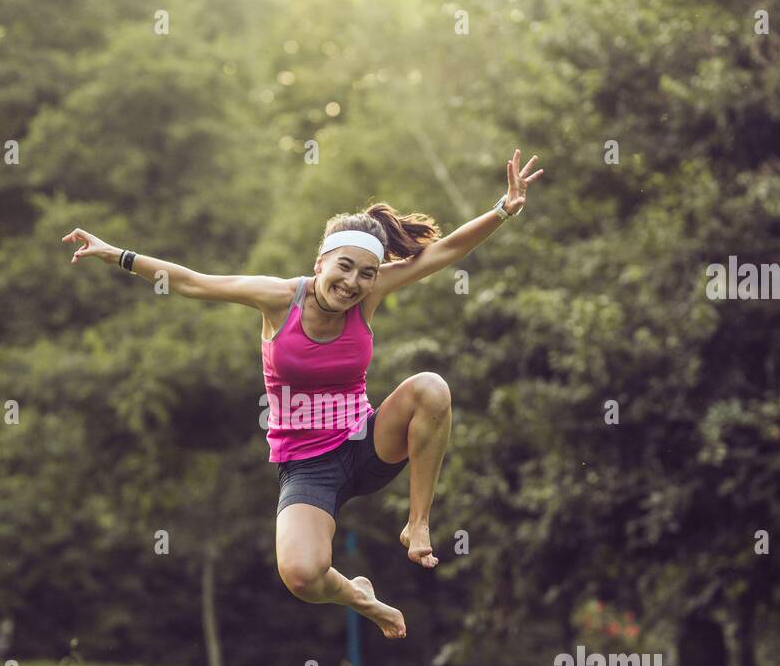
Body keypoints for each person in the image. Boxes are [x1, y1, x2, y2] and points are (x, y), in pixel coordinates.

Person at [64, 149, 543, 639]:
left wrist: (503, 209)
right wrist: (115, 253)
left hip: (365, 442)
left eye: (367, 273)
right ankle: (361, 597)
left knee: (431, 388)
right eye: (344, 267)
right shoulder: (278, 299)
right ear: (321, 261)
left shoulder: (370, 296)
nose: (353, 283)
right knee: (302, 576)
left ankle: (416, 523)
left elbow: (444, 252)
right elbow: (192, 283)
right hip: (307, 465)